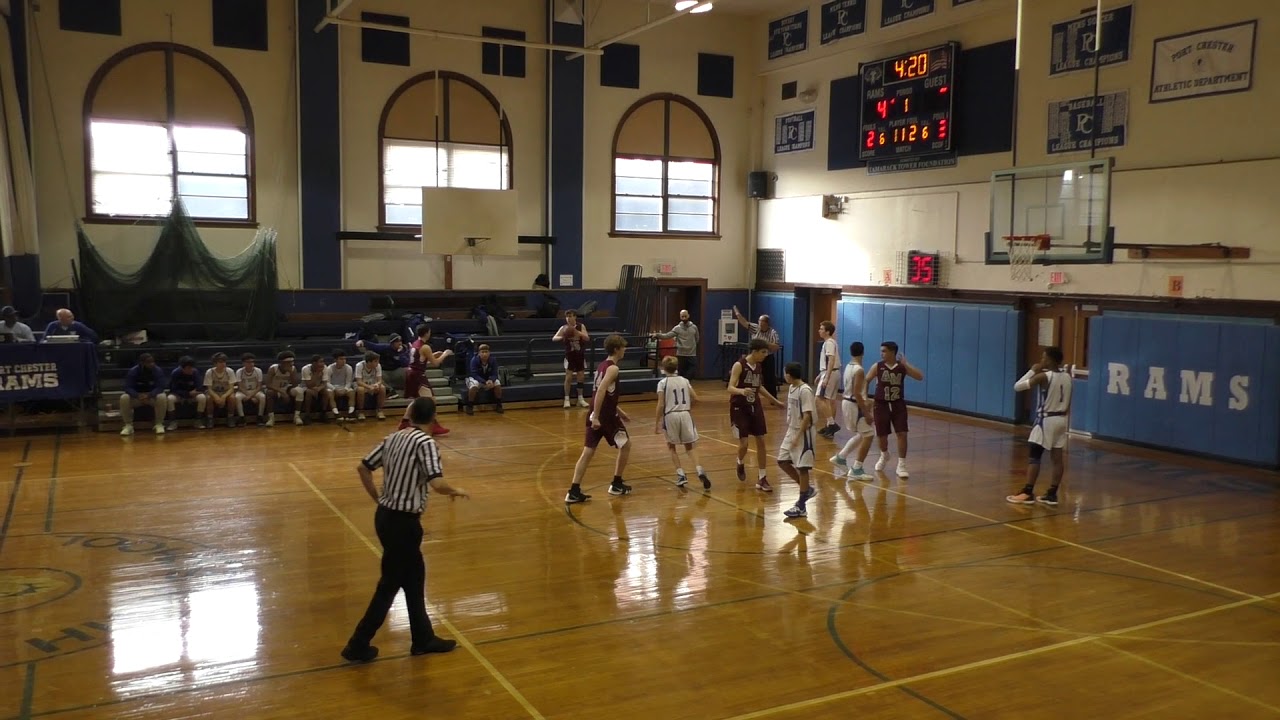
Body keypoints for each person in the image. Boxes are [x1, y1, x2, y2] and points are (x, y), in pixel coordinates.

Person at [340, 397, 468, 664]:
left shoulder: (393, 438)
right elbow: (437, 483)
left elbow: (363, 467)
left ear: (409, 416)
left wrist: (378, 498)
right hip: (404, 523)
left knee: (414, 578)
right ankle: (357, 643)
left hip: (385, 517)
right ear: (433, 418)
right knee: (389, 585)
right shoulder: (426, 443)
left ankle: (423, 638)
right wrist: (455, 490)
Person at [565, 334, 633, 503]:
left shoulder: (602, 365)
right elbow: (601, 391)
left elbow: (603, 393)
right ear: (617, 349)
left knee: (587, 452)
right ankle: (616, 483)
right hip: (605, 417)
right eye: (623, 347)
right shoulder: (613, 369)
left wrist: (619, 410)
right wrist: (597, 416)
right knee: (626, 445)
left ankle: (574, 490)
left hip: (596, 413)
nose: (625, 350)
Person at [1007, 347, 1072, 506]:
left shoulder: (1043, 376)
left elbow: (1017, 386)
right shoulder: (1067, 377)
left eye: (1044, 358)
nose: (1041, 361)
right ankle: (1052, 493)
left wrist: (1032, 371)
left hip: (1046, 420)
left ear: (1050, 360)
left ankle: (1027, 492)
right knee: (1057, 459)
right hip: (1062, 420)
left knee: (1034, 456)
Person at [728, 338, 784, 492]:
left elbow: (759, 387)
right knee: (744, 444)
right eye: (763, 352)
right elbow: (730, 387)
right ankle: (739, 461)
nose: (765, 355)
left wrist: (775, 401)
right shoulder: (739, 365)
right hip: (739, 407)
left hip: (755, 406)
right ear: (754, 351)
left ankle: (762, 477)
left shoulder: (758, 367)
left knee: (761, 440)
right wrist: (741, 391)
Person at [867, 341, 924, 478]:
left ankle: (902, 464)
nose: (881, 354)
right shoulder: (878, 366)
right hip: (881, 404)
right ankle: (884, 454)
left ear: (892, 352)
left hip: (898, 404)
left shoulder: (901, 367)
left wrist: (906, 363)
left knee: (902, 433)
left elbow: (919, 376)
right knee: (881, 436)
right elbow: (866, 380)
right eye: (881, 351)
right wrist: (866, 399)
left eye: (884, 351)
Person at [654, 356, 708, 489]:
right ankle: (699, 469)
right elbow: (696, 398)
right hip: (685, 414)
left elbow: (661, 405)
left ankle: (681, 474)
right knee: (690, 446)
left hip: (671, 415)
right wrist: (687, 408)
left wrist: (656, 422)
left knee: (671, 447)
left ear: (663, 368)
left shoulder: (663, 383)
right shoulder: (685, 380)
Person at [830, 342, 876, 478]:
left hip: (847, 401)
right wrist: (867, 412)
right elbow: (857, 392)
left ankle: (841, 457)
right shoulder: (859, 370)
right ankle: (857, 468)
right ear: (863, 352)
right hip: (853, 404)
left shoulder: (849, 366)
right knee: (869, 434)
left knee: (862, 434)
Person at [778, 362, 818, 518]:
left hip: (804, 432)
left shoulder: (805, 390)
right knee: (782, 461)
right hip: (792, 429)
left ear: (788, 374)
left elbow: (807, 415)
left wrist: (798, 435)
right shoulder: (791, 388)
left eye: (785, 373)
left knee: (803, 468)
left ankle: (801, 505)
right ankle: (806, 489)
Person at [398, 326, 452, 435]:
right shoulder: (426, 347)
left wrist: (432, 355)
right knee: (431, 401)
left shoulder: (415, 343)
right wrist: (445, 354)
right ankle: (433, 425)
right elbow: (436, 363)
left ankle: (404, 422)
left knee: (418, 400)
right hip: (417, 375)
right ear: (427, 333)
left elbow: (420, 360)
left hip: (411, 372)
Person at [732, 306, 780, 397]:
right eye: (759, 321)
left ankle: (772, 397)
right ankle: (749, 392)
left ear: (767, 323)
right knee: (751, 374)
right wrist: (738, 314)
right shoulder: (755, 328)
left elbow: (776, 346)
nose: (759, 323)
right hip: (754, 357)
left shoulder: (773, 333)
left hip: (767, 357)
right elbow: (745, 323)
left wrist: (763, 344)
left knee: (769, 377)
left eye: (762, 321)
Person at [120, 353, 167, 436]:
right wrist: (137, 395)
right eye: (149, 362)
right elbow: (127, 387)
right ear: (142, 363)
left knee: (162, 396)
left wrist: (150, 395)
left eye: (153, 361)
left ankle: (159, 424)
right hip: (137, 397)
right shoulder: (133, 371)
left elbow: (161, 386)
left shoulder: (158, 370)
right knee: (124, 398)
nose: (152, 364)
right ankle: (128, 425)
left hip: (151, 396)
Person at [553, 309, 590, 408]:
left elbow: (587, 338)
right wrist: (563, 336)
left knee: (581, 376)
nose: (568, 318)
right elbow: (554, 338)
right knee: (568, 377)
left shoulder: (581, 326)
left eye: (570, 316)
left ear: (575, 317)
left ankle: (581, 398)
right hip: (569, 355)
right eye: (567, 316)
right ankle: (566, 399)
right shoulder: (564, 328)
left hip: (580, 354)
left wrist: (577, 333)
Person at [651, 310, 700, 379]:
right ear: (680, 317)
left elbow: (697, 338)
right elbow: (667, 335)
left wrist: (692, 346)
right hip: (681, 354)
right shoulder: (677, 328)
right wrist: (657, 335)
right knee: (681, 372)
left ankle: (686, 382)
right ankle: (682, 385)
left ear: (688, 316)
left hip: (691, 354)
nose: (684, 318)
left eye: (685, 316)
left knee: (693, 370)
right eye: (682, 316)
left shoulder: (694, 327)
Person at [166, 356, 207, 431]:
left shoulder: (195, 372)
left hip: (193, 394)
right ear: (182, 368)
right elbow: (173, 389)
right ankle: (172, 421)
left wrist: (193, 393)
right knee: (170, 399)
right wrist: (187, 394)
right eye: (188, 368)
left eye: (192, 367)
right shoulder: (175, 373)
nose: (191, 370)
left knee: (202, 398)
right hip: (179, 394)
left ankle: (198, 420)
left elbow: (199, 387)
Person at [815, 321, 841, 438]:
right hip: (834, 372)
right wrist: (821, 374)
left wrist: (826, 377)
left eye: (821, 329)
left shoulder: (829, 343)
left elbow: (831, 360)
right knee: (831, 400)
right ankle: (829, 427)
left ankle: (831, 423)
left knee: (819, 398)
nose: (819, 331)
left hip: (830, 373)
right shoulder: (831, 342)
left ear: (828, 331)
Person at [265, 351, 304, 427]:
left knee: (299, 391)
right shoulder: (273, 368)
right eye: (288, 362)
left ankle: (297, 416)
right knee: (269, 393)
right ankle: (271, 418)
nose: (291, 364)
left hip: (287, 388)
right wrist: (282, 392)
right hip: (275, 389)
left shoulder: (292, 369)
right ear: (282, 362)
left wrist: (291, 373)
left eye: (292, 362)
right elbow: (268, 384)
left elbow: (295, 384)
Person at [464, 344, 503, 415]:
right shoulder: (474, 360)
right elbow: (474, 374)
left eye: (486, 352)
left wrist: (491, 380)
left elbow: (495, 373)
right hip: (476, 378)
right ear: (479, 353)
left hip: (488, 379)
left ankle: (499, 404)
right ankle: (469, 405)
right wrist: (485, 382)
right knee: (473, 386)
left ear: (489, 353)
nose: (484, 354)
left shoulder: (493, 360)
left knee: (497, 383)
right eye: (482, 352)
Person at [204, 352, 237, 428]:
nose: (223, 364)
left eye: (224, 362)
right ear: (215, 363)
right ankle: (210, 418)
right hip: (214, 391)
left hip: (226, 391)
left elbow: (231, 388)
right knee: (209, 398)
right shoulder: (210, 372)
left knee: (232, 398)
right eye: (220, 362)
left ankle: (230, 417)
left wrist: (223, 396)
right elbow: (209, 388)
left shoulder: (230, 371)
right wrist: (216, 397)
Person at [354, 351, 387, 421]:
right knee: (361, 390)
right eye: (375, 361)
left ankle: (379, 410)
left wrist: (377, 385)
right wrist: (369, 387)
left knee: (382, 388)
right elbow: (359, 381)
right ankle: (361, 411)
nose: (377, 363)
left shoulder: (378, 366)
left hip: (373, 384)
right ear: (369, 362)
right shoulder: (359, 366)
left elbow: (380, 380)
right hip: (363, 385)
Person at [300, 354, 334, 423]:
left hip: (319, 386)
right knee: (309, 392)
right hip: (305, 386)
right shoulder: (305, 369)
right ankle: (307, 415)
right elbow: (308, 384)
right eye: (321, 362)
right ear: (314, 363)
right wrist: (316, 373)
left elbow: (324, 383)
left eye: (323, 362)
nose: (323, 364)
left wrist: (319, 389)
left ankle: (323, 413)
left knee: (326, 392)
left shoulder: (325, 368)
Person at [235, 353, 267, 425]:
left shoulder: (258, 371)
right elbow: (240, 386)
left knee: (262, 397)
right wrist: (249, 395)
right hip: (243, 391)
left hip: (255, 391)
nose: (251, 364)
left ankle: (260, 417)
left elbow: (259, 386)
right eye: (249, 362)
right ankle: (241, 417)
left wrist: (251, 396)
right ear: (244, 363)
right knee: (237, 397)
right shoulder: (239, 372)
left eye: (252, 362)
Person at [328, 350, 356, 420]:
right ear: (335, 360)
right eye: (341, 359)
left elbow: (349, 382)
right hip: (333, 387)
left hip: (344, 387)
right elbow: (327, 382)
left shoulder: (348, 368)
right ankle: (336, 413)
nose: (343, 361)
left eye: (344, 359)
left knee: (351, 392)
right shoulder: (329, 368)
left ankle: (351, 412)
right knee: (329, 393)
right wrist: (334, 389)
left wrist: (345, 389)